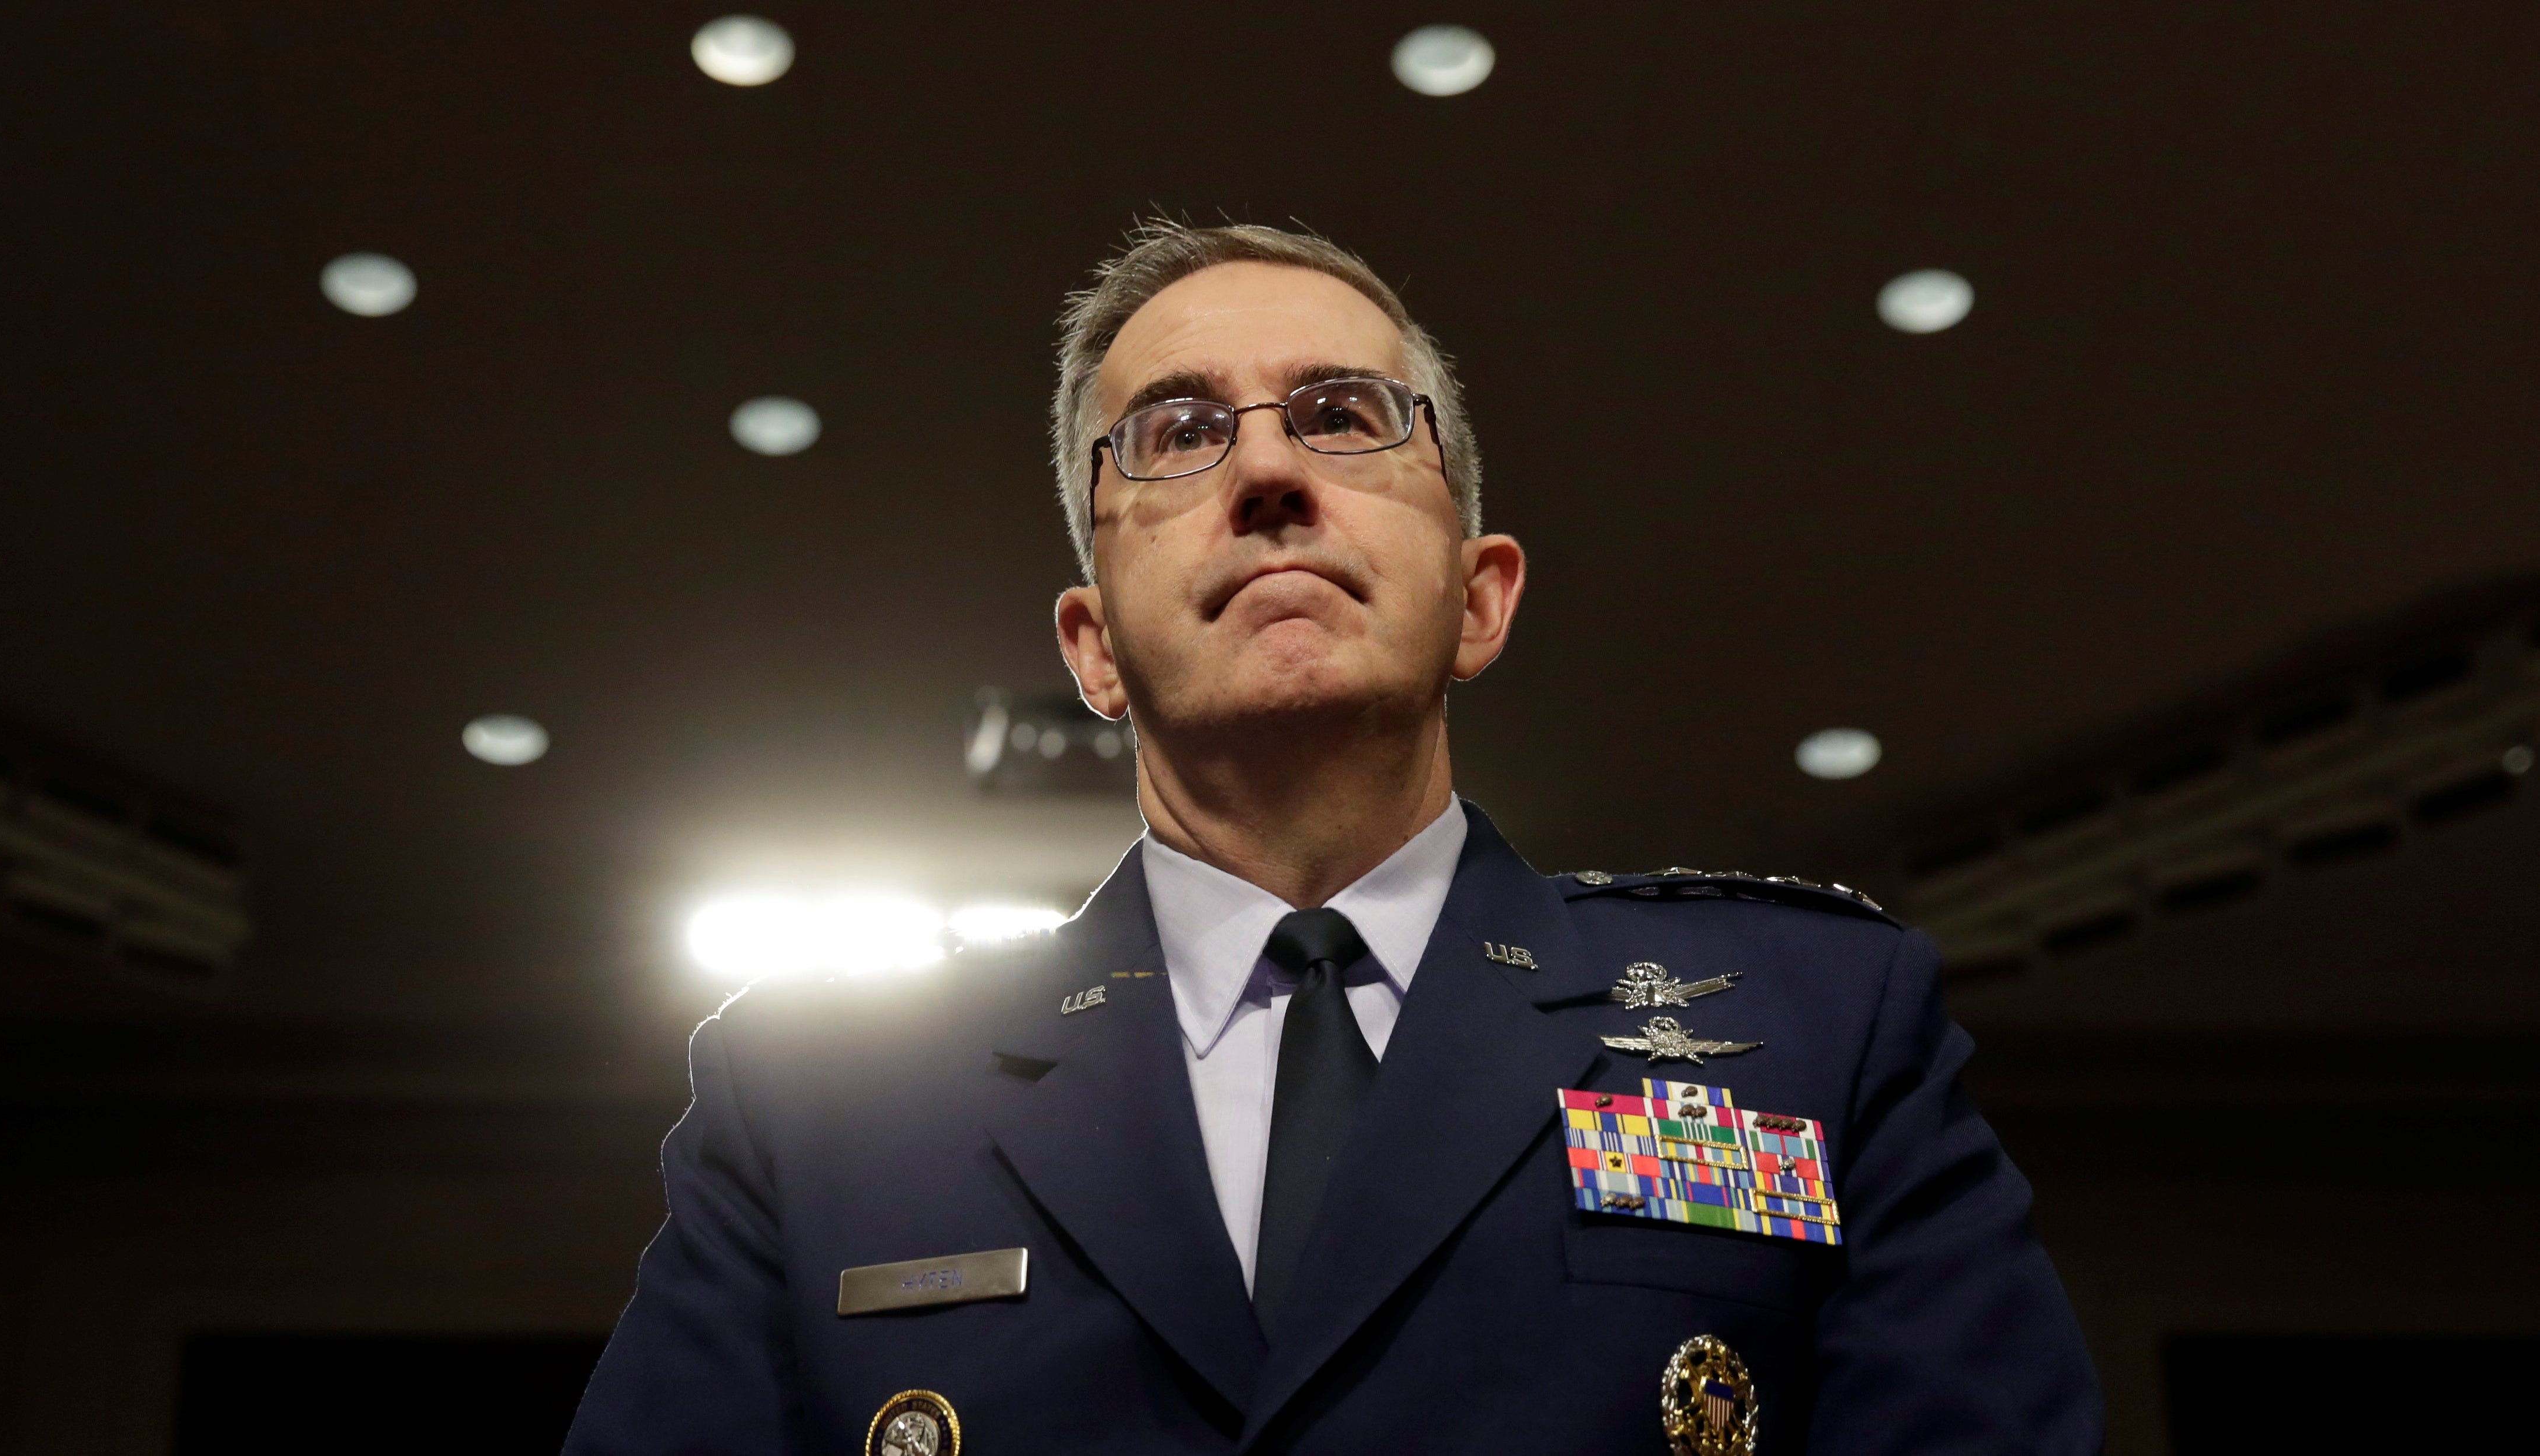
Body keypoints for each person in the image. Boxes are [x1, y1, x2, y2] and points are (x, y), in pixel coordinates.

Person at [564, 223, 2103, 1455]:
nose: (1266, 474)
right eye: (1175, 433)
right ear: (1092, 650)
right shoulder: (816, 1105)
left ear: (1480, 599)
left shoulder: (1819, 1030)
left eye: (1343, 417)